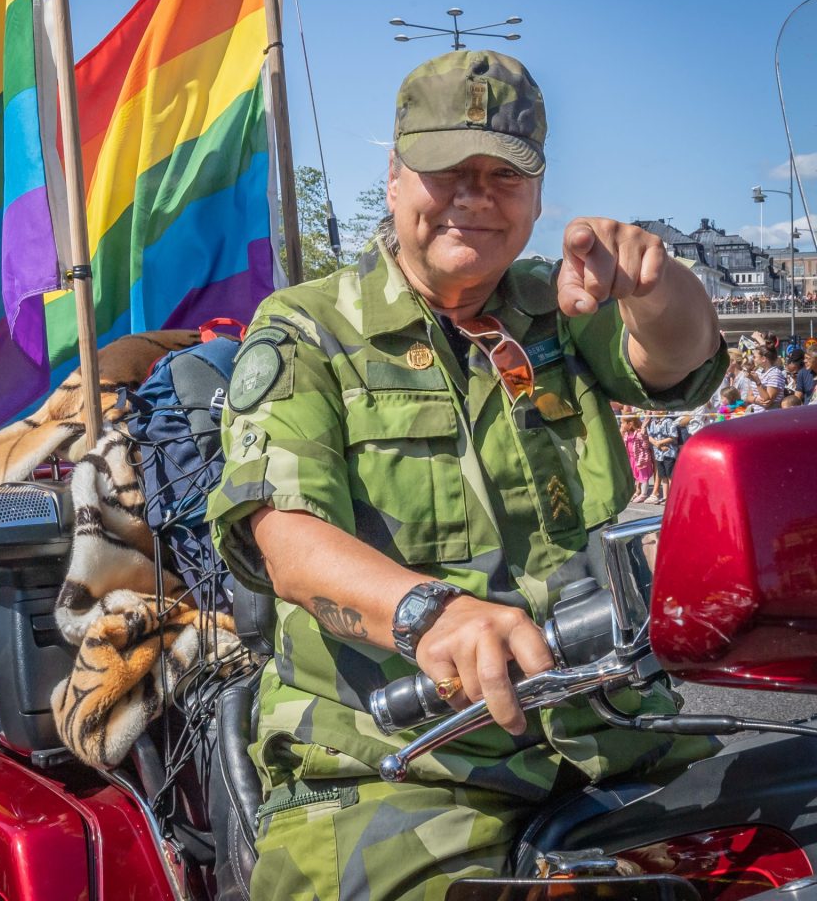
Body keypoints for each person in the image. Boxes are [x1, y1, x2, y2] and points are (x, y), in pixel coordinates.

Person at [208, 50, 726, 899]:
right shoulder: (308, 330)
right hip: (399, 764)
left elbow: (677, 359)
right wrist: (430, 615)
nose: (474, 197)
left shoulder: (561, 307)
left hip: (614, 733)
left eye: (503, 176)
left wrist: (655, 282)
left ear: (536, 193)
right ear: (395, 175)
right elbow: (285, 538)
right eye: (447, 170)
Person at [621, 413, 654, 502]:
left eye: (623, 423)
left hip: (641, 458)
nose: (621, 425)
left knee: (643, 476)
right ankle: (637, 491)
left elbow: (645, 446)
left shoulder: (639, 433)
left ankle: (644, 494)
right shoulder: (627, 434)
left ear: (630, 424)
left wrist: (644, 435)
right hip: (632, 458)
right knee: (636, 476)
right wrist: (622, 431)